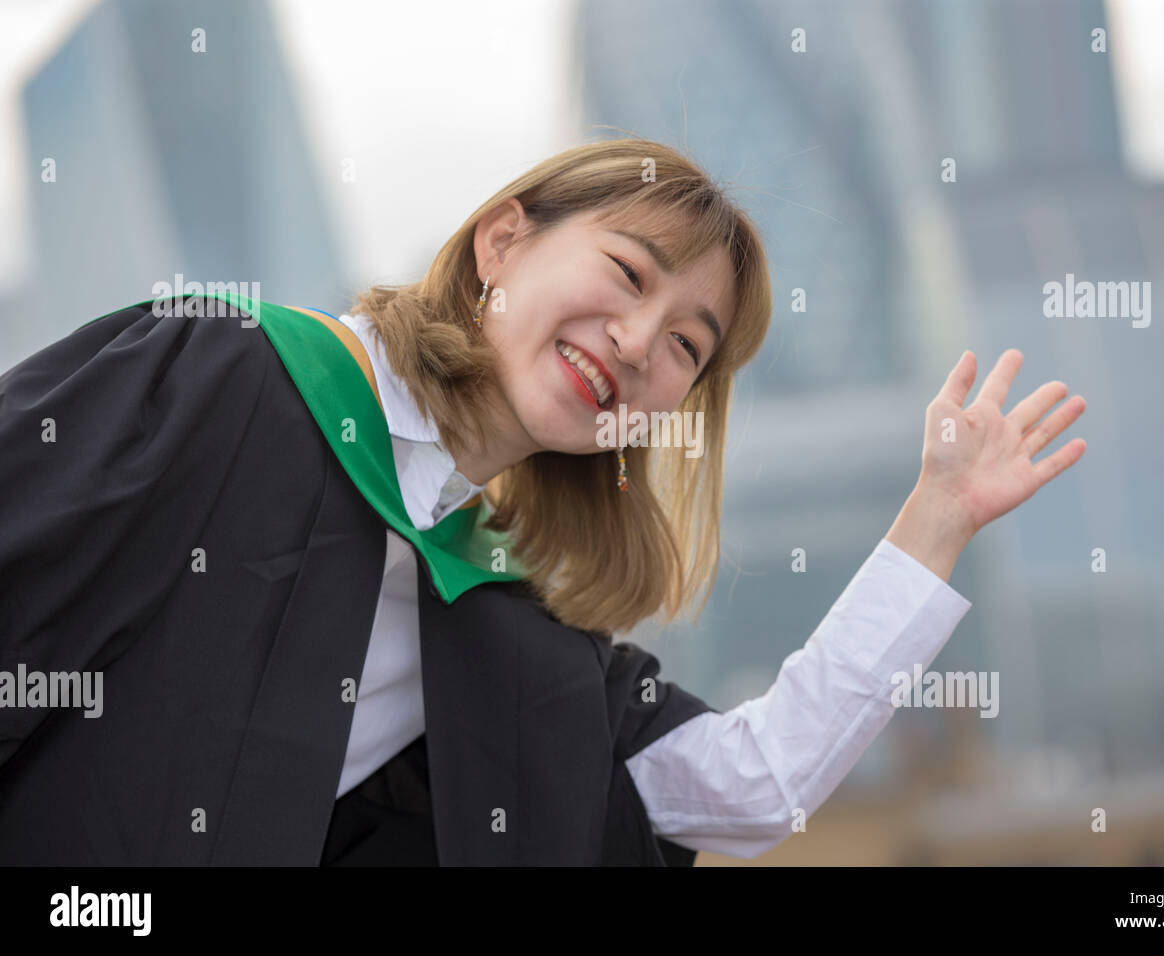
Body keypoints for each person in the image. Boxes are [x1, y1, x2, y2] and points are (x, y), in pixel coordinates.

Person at [0, 138, 1086, 866]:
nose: (634, 342)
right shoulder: (225, 375)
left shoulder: (507, 633)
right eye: (626, 273)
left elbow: (756, 781)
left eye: (683, 348)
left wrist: (935, 516)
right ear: (502, 241)